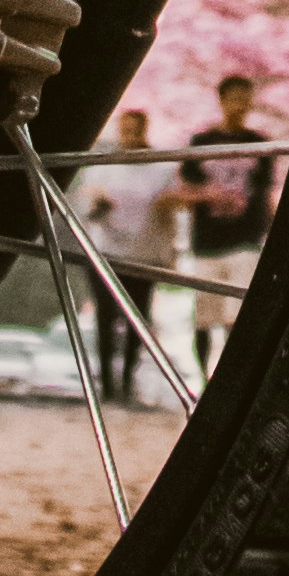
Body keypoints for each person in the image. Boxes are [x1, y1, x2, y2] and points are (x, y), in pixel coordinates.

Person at [175, 69, 282, 358]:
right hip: (207, 241)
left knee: (237, 314)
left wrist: (274, 233)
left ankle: (232, 366)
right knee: (204, 317)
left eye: (246, 100)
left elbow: (265, 193)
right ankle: (203, 376)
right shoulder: (201, 142)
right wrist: (210, 195)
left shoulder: (260, 143)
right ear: (222, 100)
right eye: (235, 99)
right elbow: (183, 190)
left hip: (245, 240)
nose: (240, 106)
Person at [79, 106, 182, 403]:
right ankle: (107, 384)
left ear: (144, 130)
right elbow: (88, 211)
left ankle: (127, 380)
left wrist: (170, 251)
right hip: (105, 252)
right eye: (125, 130)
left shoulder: (161, 168)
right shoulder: (102, 167)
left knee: (138, 318)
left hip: (143, 255)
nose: (129, 136)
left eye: (135, 130)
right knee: (106, 316)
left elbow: (170, 211)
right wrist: (99, 205)